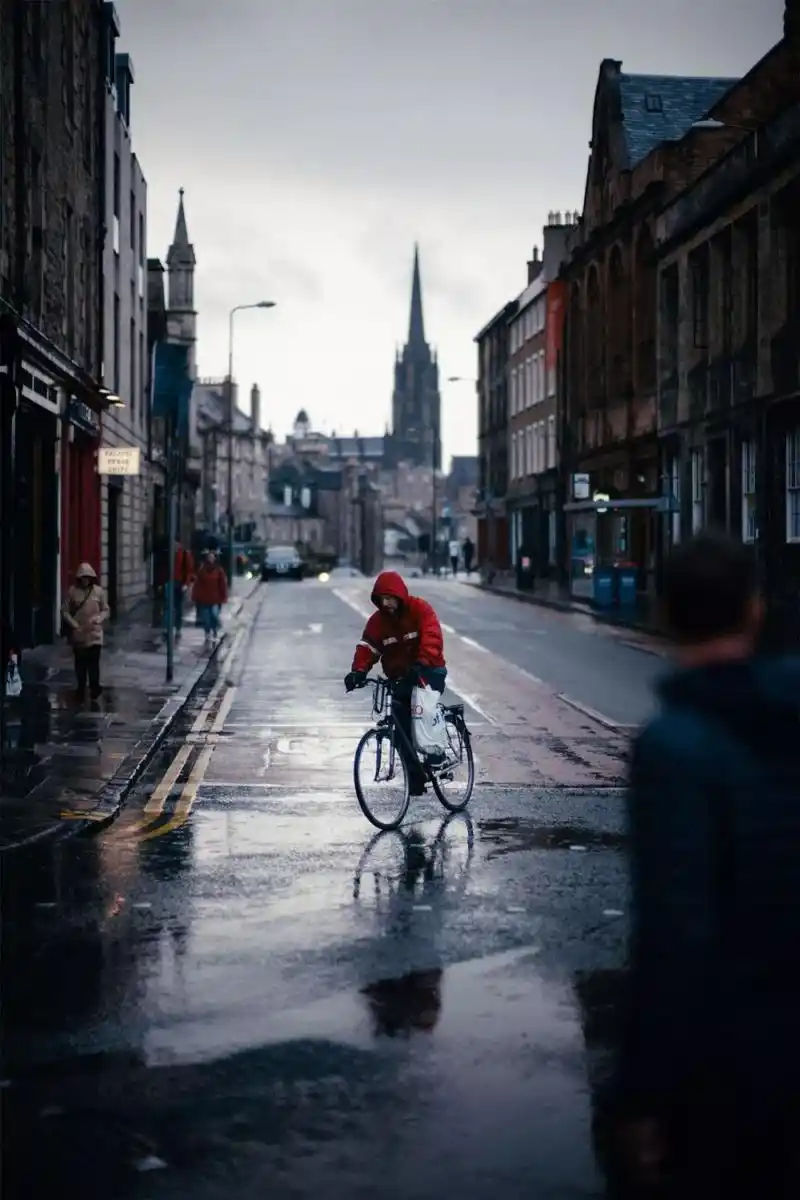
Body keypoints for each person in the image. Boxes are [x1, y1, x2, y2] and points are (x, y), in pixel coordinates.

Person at [613, 532, 800, 1197]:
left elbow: (676, 934)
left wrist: (639, 1094)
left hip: (735, 1059)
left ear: (663, 614)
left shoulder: (674, 748)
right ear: (754, 610)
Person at [344, 570, 446, 795]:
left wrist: (422, 662)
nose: (387, 603)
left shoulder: (420, 609)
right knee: (399, 727)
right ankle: (415, 777)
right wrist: (357, 671)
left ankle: (436, 756)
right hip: (400, 677)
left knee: (421, 711)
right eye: (383, 599)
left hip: (429, 670)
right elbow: (368, 648)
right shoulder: (378, 623)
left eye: (391, 598)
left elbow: (432, 636)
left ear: (400, 597)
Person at [61, 563, 109, 701]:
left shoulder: (98, 591)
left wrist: (99, 618)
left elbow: (105, 609)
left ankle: (95, 687)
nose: (85, 580)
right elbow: (64, 611)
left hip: (95, 633)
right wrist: (74, 624)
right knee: (80, 664)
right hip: (80, 634)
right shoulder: (72, 591)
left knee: (94, 662)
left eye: (88, 577)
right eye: (83, 577)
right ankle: (81, 688)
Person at [192, 549, 228, 648]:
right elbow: (198, 584)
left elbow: (223, 585)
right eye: (209, 557)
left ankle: (215, 631)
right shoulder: (202, 570)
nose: (211, 559)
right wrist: (195, 596)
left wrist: (224, 597)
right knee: (206, 619)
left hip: (215, 599)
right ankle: (207, 633)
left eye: (212, 557)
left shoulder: (219, 570)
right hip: (204, 599)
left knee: (214, 615)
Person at [164, 540, 195, 642]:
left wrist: (186, 584)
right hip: (169, 582)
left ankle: (177, 629)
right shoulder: (168, 553)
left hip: (179, 583)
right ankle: (167, 628)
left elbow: (189, 570)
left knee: (177, 607)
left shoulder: (185, 553)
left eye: (176, 544)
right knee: (168, 607)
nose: (174, 546)